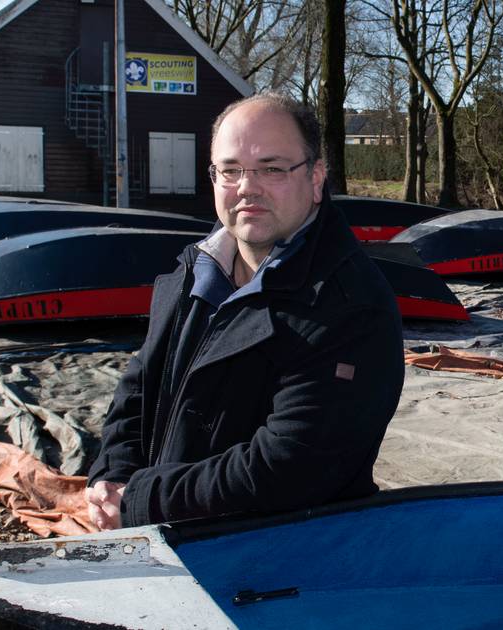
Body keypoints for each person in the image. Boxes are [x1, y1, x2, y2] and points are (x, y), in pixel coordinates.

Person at [84, 93, 405, 529]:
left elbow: (290, 467)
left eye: (271, 169)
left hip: (271, 568)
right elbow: (140, 384)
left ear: (316, 178)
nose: (247, 187)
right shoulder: (191, 272)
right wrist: (113, 476)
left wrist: (141, 500)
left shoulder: (350, 308)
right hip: (167, 542)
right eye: (230, 170)